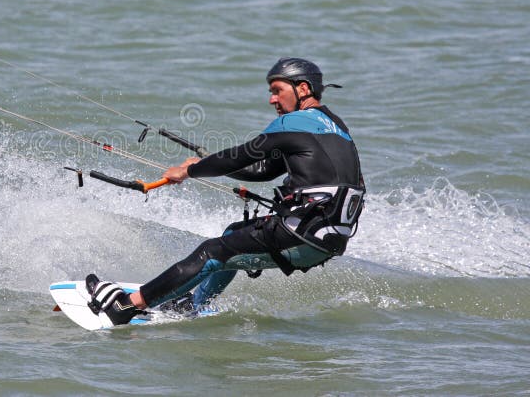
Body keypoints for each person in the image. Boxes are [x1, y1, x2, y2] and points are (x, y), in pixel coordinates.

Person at [87, 57, 366, 326]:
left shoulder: (294, 122)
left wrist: (189, 171)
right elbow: (265, 171)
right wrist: (203, 163)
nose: (272, 100)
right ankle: (193, 305)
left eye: (277, 91)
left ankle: (124, 306)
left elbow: (242, 156)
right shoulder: (336, 126)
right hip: (329, 239)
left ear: (303, 88)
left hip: (301, 231)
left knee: (210, 252)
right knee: (233, 234)